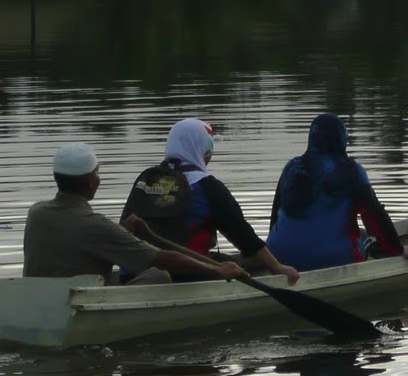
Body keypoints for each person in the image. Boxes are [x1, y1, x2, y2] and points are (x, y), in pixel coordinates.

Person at [23, 142, 244, 285]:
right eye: (97, 173)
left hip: (39, 297)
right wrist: (218, 270)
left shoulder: (36, 212)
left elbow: (77, 240)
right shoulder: (96, 225)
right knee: (159, 275)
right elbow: (164, 258)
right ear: (92, 181)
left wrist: (120, 232)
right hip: (77, 300)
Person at [120, 118, 299, 285]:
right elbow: (245, 239)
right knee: (259, 260)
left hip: (135, 272)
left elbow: (122, 229)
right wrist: (277, 267)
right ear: (201, 149)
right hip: (187, 274)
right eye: (209, 148)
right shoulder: (207, 187)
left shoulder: (146, 180)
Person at [266, 113, 408, 272]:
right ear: (341, 139)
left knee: (357, 232)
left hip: (277, 258)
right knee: (366, 237)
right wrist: (397, 250)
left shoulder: (291, 168)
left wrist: (269, 257)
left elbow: (275, 217)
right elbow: (375, 216)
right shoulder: (351, 170)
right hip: (328, 260)